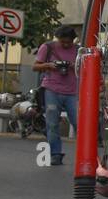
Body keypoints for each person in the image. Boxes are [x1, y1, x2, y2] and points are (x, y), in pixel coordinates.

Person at [32, 25, 79, 166]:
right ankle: (55, 154)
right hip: (51, 89)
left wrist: (73, 65)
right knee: (52, 123)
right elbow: (35, 66)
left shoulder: (78, 51)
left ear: (73, 40)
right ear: (57, 39)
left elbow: (86, 68)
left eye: (68, 42)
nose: (65, 44)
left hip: (73, 91)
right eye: (62, 41)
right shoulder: (48, 47)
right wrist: (49, 65)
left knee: (78, 122)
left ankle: (84, 155)